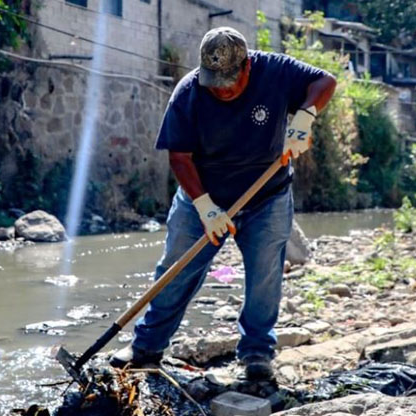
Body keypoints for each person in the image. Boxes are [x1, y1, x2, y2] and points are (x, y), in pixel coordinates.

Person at [109, 27, 337, 380]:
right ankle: (146, 348)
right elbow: (179, 157)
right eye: (214, 81)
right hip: (202, 195)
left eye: (229, 80)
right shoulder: (189, 93)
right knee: (176, 269)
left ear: (247, 66)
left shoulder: (275, 72)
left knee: (265, 275)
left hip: (266, 196)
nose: (222, 89)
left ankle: (257, 354)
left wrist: (306, 116)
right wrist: (204, 206)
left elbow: (324, 82)